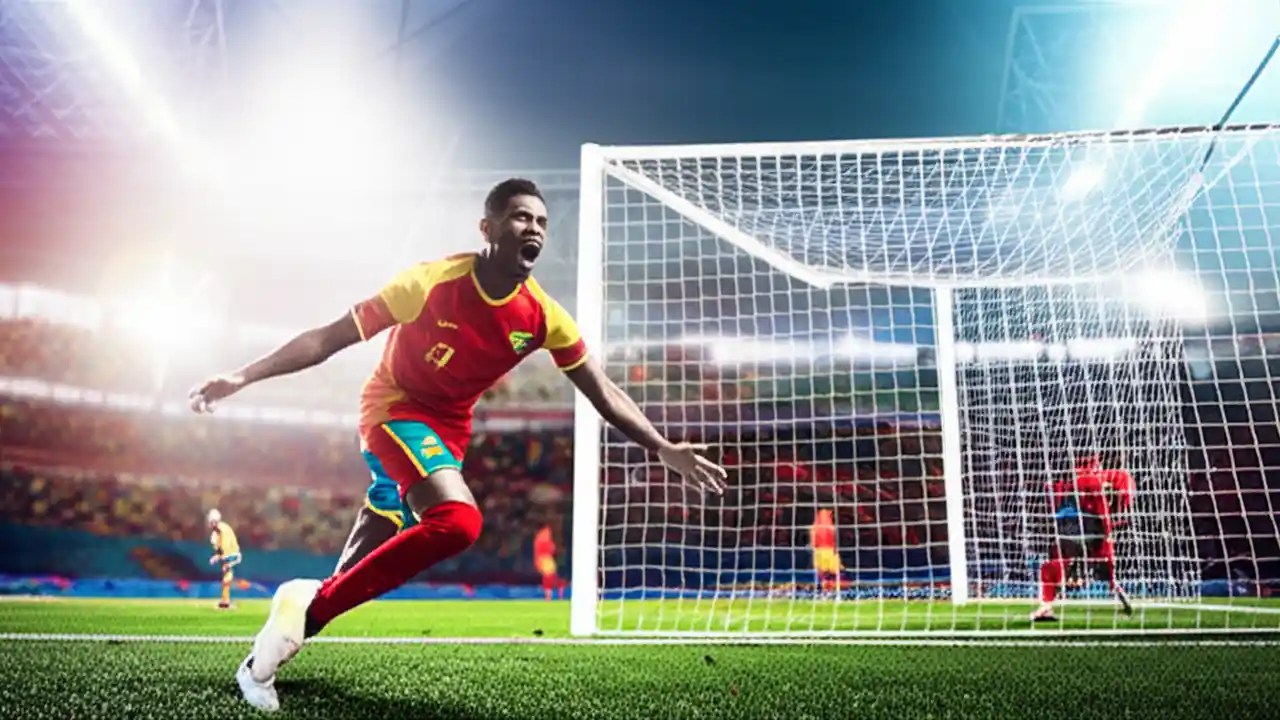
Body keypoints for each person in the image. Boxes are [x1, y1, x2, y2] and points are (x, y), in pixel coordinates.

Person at [189, 178, 728, 712]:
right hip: (394, 408)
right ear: (488, 228)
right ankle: (299, 605)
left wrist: (661, 447)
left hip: (449, 432)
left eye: (541, 221)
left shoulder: (543, 317)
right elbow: (327, 339)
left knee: (345, 582)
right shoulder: (429, 283)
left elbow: (602, 389)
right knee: (458, 521)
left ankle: (277, 641)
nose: (534, 228)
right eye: (521, 217)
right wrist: (241, 377)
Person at [1031, 455, 1135, 622]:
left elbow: (1056, 509)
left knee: (1055, 563)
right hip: (1097, 530)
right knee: (1108, 571)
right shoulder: (1116, 477)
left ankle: (1046, 606)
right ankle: (1121, 595)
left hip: (1075, 529)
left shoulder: (1068, 484)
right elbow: (1121, 501)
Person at [206, 508, 242, 610]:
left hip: (232, 556)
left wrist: (219, 558)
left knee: (226, 579)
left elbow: (226, 549)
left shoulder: (223, 530)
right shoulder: (218, 531)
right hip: (229, 556)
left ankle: (225, 601)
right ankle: (225, 600)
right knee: (226, 578)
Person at [810, 508, 841, 596]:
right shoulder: (827, 526)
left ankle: (827, 590)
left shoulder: (817, 526)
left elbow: (813, 540)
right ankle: (828, 590)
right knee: (830, 572)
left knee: (825, 573)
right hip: (826, 550)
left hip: (822, 551)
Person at [533, 524, 565, 601]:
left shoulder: (543, 536)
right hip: (545, 559)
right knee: (550, 578)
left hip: (546, 559)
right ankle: (556, 593)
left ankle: (551, 595)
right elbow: (551, 549)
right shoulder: (543, 536)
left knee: (548, 578)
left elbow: (551, 548)